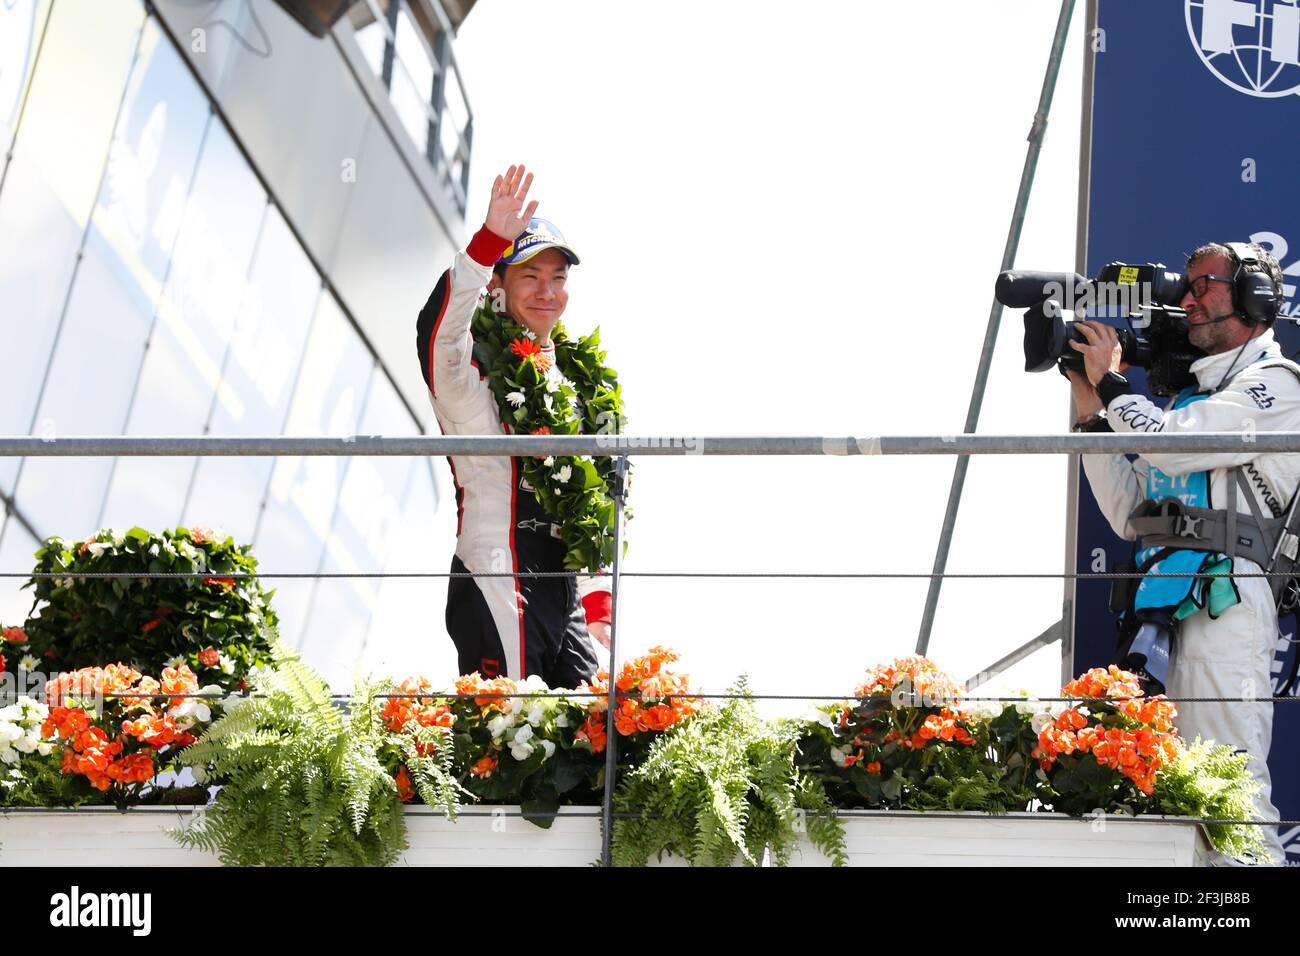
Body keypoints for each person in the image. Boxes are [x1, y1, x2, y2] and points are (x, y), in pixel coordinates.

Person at [1068, 241, 1292, 864]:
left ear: (1256, 298)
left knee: (1230, 787)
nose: (1187, 302)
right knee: (1173, 796)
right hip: (1164, 604)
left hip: (1229, 601)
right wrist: (1090, 405)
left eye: (1204, 287)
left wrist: (1113, 385)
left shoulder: (1278, 386)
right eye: (1186, 288)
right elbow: (1128, 512)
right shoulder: (1187, 405)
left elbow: (1168, 447)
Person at [415, 164, 610, 688]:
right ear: (496, 287)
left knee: (587, 746)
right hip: (497, 573)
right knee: (509, 744)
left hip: (563, 592)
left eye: (558, 278)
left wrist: (595, 595)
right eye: (530, 276)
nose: (547, 291)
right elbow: (438, 335)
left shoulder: (574, 384)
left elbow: (587, 501)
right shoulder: (469, 370)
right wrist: (486, 244)